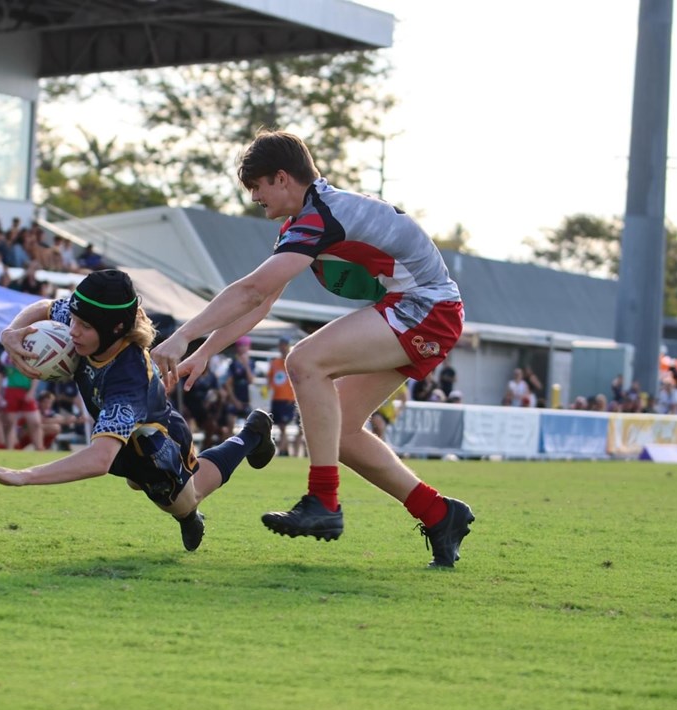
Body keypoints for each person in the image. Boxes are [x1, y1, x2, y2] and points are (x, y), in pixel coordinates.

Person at [150, 130, 474, 568]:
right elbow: (262, 302)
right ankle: (439, 514)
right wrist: (207, 349)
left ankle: (323, 501)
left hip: (425, 309)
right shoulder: (308, 218)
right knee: (337, 432)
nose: (254, 198)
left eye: (256, 187)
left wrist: (182, 335)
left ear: (282, 179)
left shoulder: (322, 215)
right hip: (418, 308)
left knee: (304, 361)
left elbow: (251, 290)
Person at [0, 268, 277, 552]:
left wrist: (23, 476)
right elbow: (47, 306)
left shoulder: (127, 379)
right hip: (127, 436)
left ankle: (251, 435)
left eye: (84, 326)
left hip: (158, 440)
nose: (72, 331)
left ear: (116, 329)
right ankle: (178, 489)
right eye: (73, 319)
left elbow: (99, 460)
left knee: (183, 501)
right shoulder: (87, 322)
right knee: (135, 480)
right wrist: (11, 331)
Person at [266, 336, 298, 456]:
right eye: (281, 344)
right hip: (276, 398)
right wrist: (267, 390)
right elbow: (270, 379)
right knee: (278, 425)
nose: (283, 347)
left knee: (283, 426)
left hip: (287, 399)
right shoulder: (275, 362)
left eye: (285, 344)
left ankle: (282, 450)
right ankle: (284, 450)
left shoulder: (292, 362)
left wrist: (294, 397)